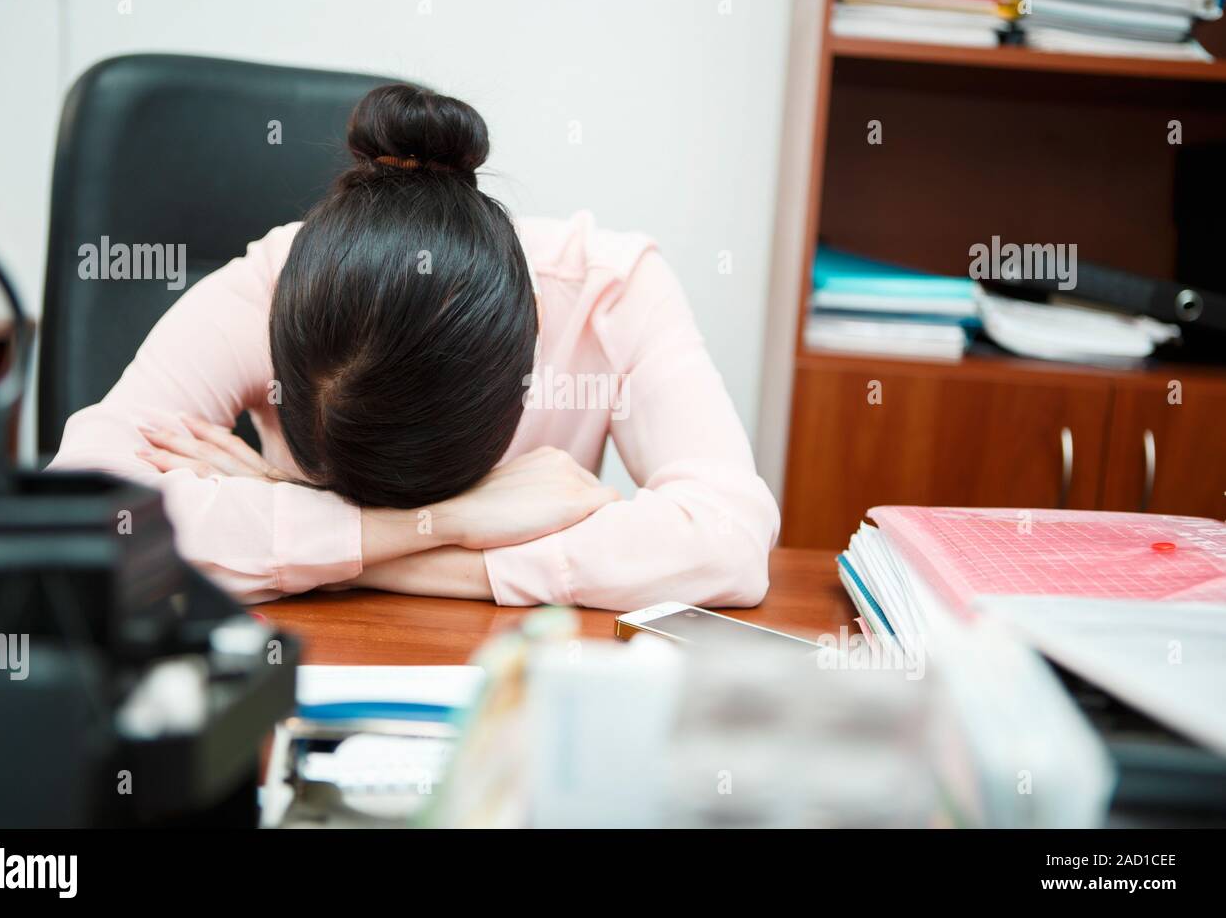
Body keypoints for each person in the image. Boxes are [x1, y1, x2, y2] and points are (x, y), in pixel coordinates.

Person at [49, 84, 779, 611]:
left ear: (526, 358)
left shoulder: (609, 289)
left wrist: (310, 529)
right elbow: (81, 520)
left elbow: (730, 543)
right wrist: (448, 525)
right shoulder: (274, 284)